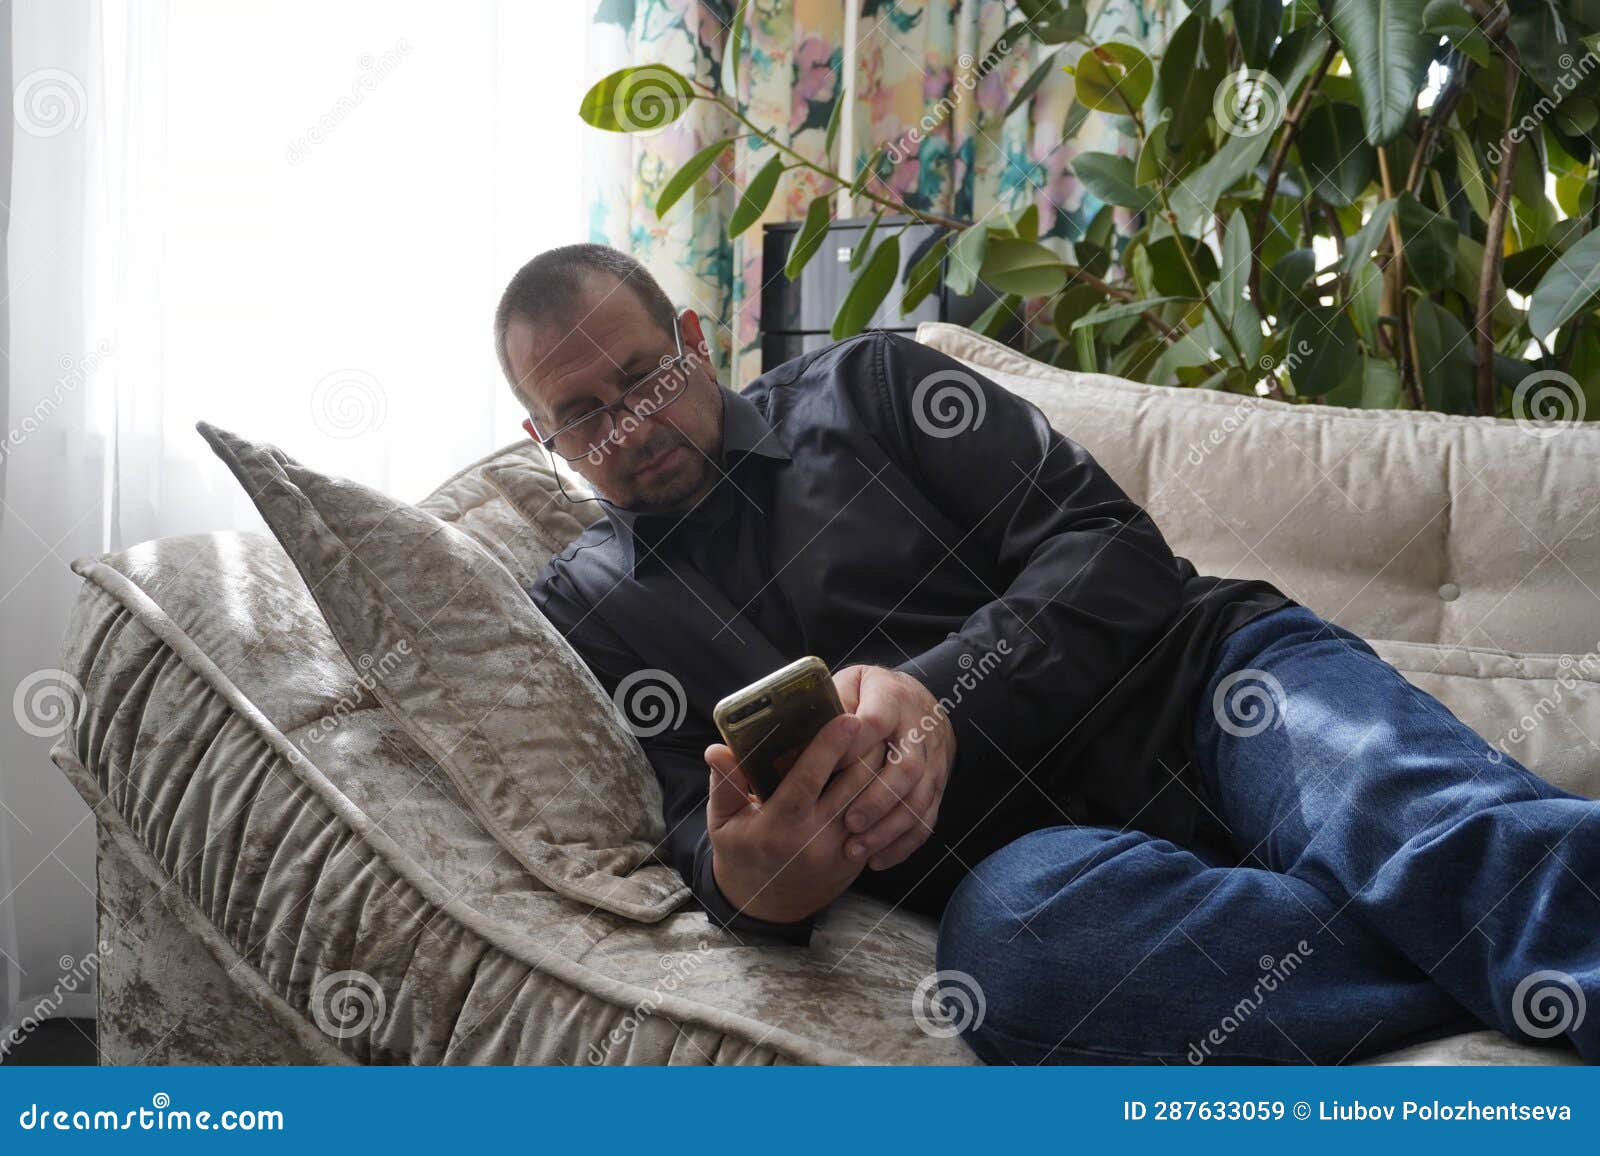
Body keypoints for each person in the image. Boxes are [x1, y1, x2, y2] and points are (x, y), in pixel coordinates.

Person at [498, 243, 1598, 1064]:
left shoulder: (875, 384)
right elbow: (700, 827)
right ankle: (1458, 933)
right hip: (1036, 872)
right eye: (581, 417)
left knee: (1428, 823)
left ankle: (1451, 899)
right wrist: (752, 882)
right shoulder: (586, 613)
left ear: (695, 337)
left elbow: (1114, 552)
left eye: (643, 379)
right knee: (1025, 964)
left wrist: (934, 698)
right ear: (543, 440)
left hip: (1211, 691)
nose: (628, 429)